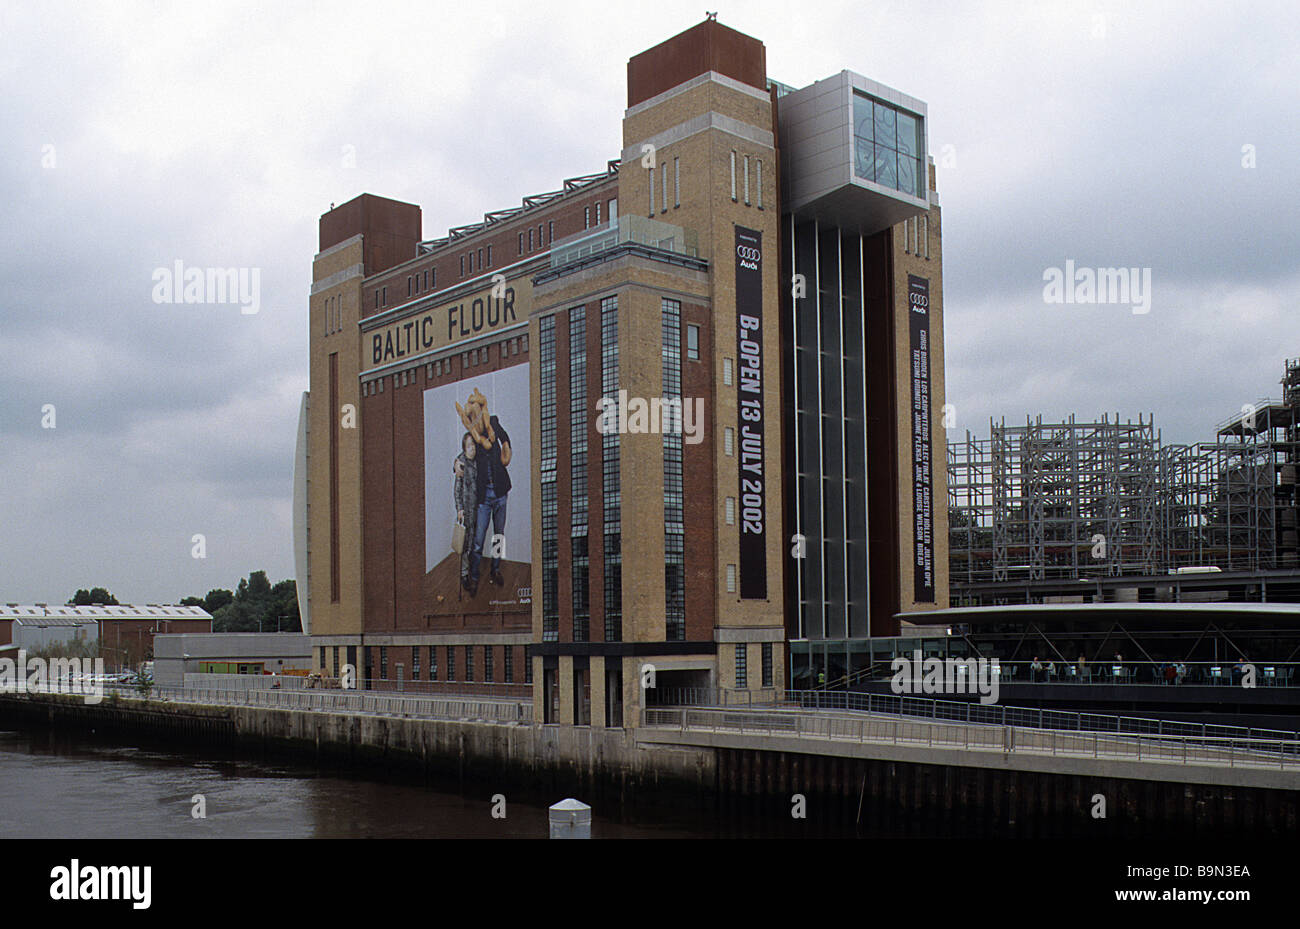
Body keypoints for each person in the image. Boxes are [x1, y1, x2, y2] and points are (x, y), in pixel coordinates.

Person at [453, 432, 478, 590]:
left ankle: (473, 571)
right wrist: (459, 508)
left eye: (473, 445)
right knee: (464, 542)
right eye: (469, 446)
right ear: (464, 448)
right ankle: (464, 574)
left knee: (474, 541)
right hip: (466, 510)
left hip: (477, 508)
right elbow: (457, 490)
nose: (472, 448)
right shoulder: (460, 462)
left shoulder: (478, 461)